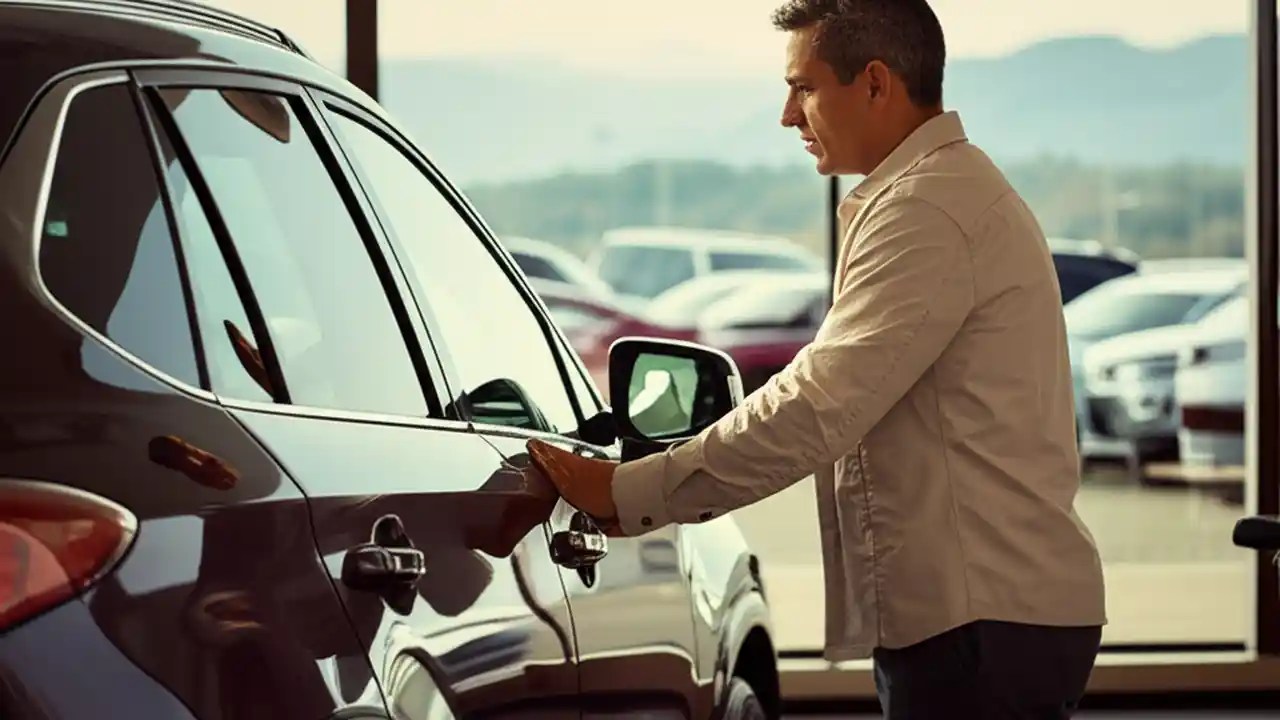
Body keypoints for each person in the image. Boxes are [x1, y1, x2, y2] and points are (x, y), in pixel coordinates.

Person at [526, 0, 1107, 717]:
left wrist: (630, 491)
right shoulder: (938, 196)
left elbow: (818, 404)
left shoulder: (927, 212)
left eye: (803, 87)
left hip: (980, 623)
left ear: (873, 84)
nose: (787, 116)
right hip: (987, 615)